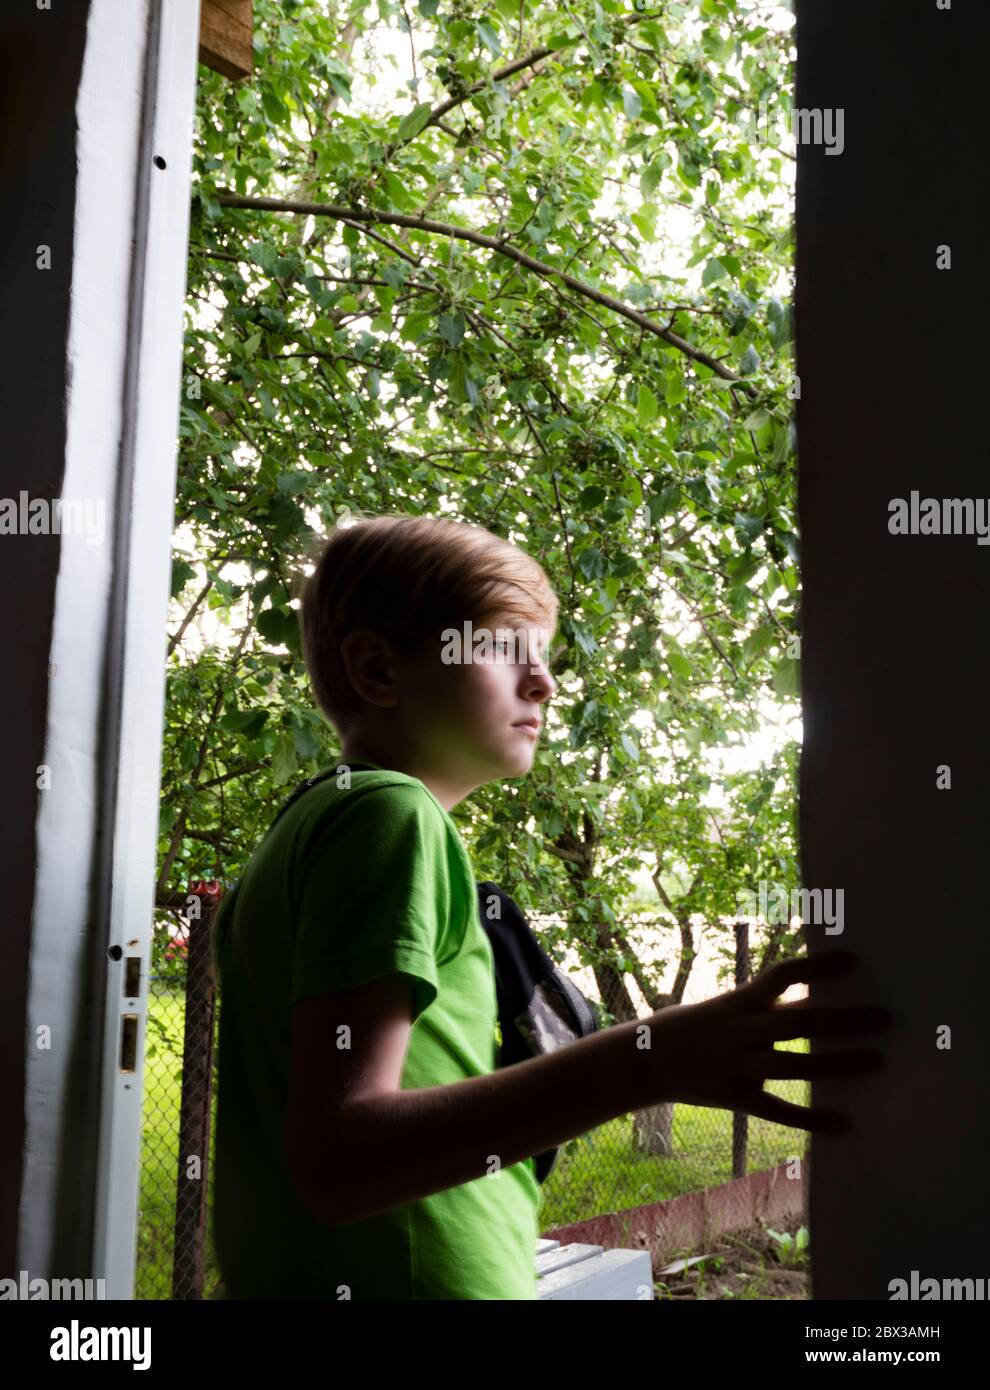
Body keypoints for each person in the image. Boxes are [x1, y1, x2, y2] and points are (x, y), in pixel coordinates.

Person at [210, 511, 891, 1300]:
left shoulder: (304, 831)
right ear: (379, 671)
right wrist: (653, 1059)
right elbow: (340, 1164)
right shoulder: (388, 815)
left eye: (546, 656)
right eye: (504, 649)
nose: (546, 682)